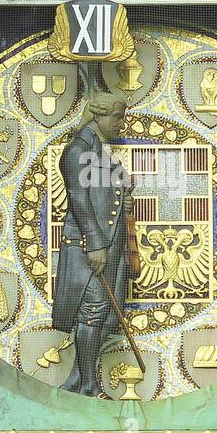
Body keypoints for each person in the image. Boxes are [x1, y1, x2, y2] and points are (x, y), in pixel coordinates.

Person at [52, 93, 134, 397]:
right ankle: (88, 385)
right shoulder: (78, 150)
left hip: (106, 246)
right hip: (90, 245)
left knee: (98, 314)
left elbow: (103, 195)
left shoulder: (96, 151)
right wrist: (95, 243)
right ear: (99, 117)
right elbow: (78, 198)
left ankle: (75, 380)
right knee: (92, 311)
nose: (121, 124)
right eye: (118, 118)